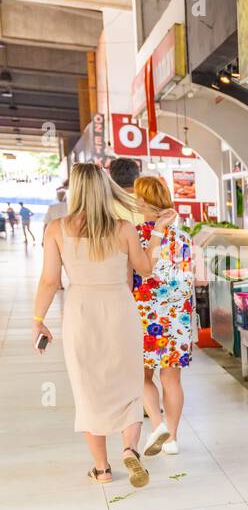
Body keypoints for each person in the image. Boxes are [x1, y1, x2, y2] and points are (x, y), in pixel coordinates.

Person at [31, 163, 175, 486]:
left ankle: (102, 469)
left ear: (75, 192)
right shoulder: (123, 228)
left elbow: (50, 280)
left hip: (82, 314)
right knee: (128, 386)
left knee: (88, 390)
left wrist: (38, 319)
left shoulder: (57, 229)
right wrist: (156, 237)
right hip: (121, 312)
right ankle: (130, 450)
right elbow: (146, 269)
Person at [132, 175, 195, 456]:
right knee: (172, 380)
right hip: (177, 314)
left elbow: (136, 273)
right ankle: (172, 438)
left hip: (143, 313)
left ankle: (158, 425)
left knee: (140, 376)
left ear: (143, 201)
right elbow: (191, 279)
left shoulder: (133, 234)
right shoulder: (184, 238)